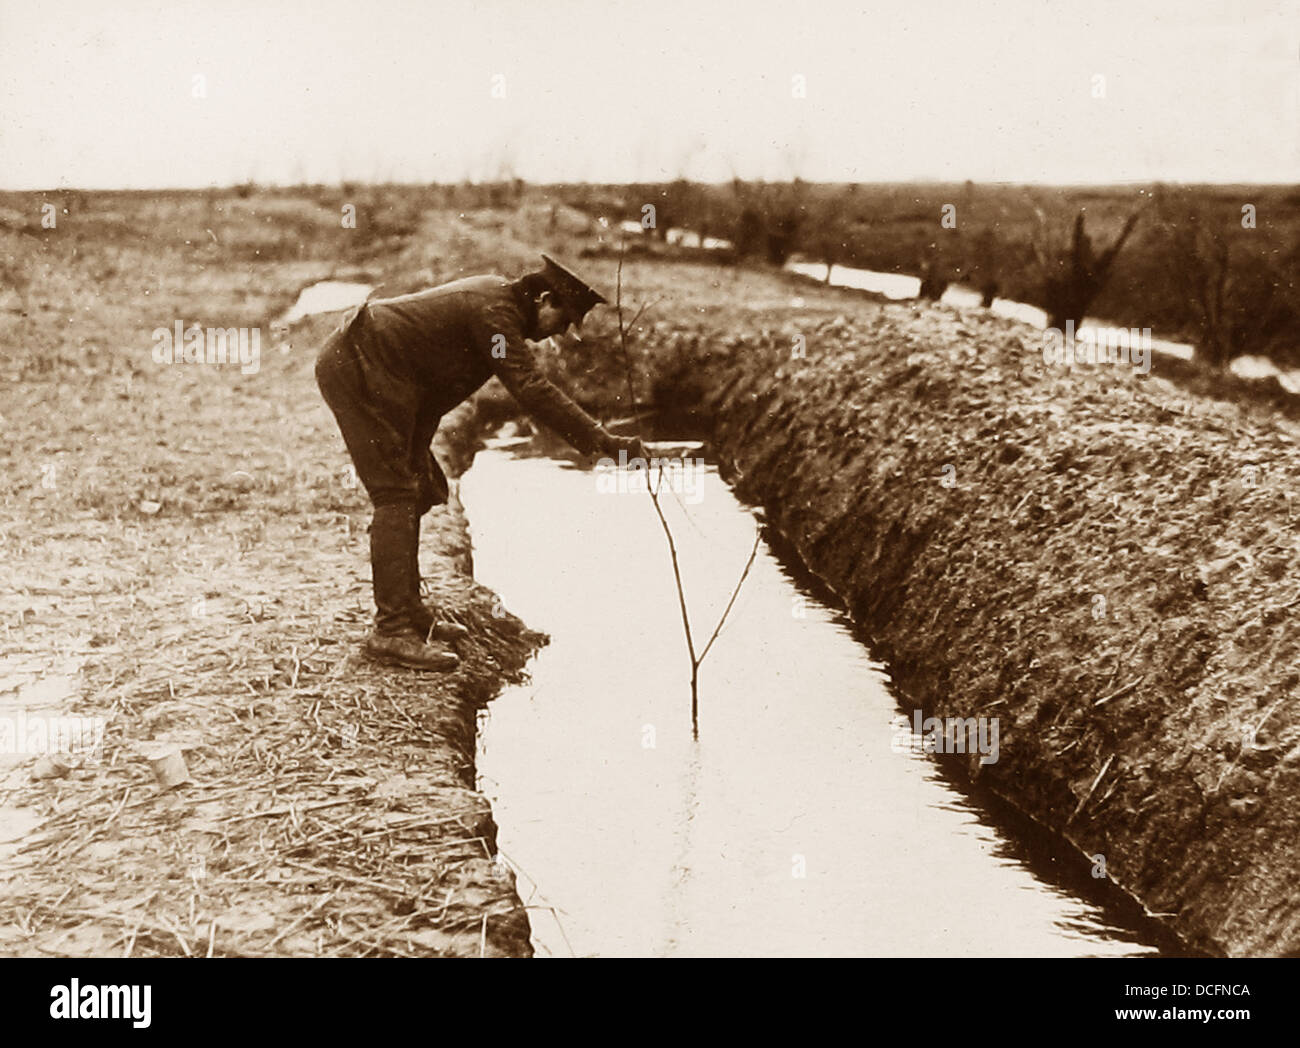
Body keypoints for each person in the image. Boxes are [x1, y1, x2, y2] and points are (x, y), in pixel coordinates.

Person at [315, 254, 647, 671]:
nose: (556, 334)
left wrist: (417, 445)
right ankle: (391, 631)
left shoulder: (497, 301)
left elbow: (429, 378)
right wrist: (601, 441)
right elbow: (530, 387)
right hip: (357, 369)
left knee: (414, 486)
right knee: (395, 493)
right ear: (543, 298)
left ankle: (409, 608)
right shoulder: (495, 313)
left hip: (387, 379)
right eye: (560, 322)